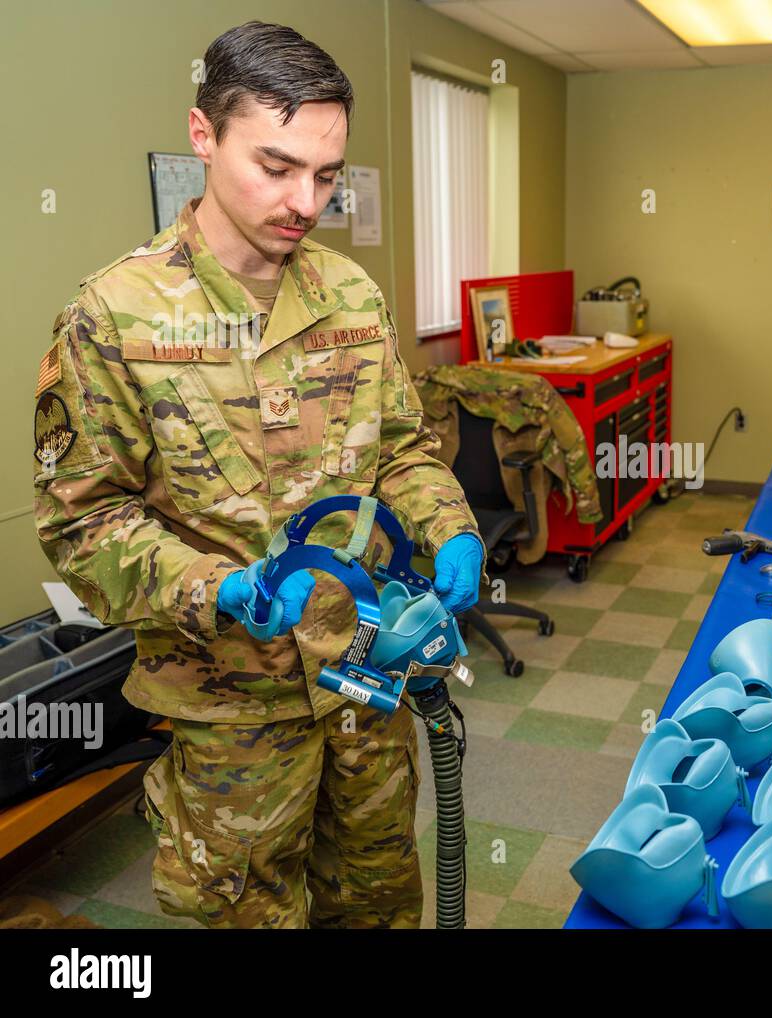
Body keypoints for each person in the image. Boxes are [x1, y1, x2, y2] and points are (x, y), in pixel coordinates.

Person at [32, 21, 484, 929]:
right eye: (276, 167)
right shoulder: (114, 315)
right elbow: (83, 524)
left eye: (327, 175)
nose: (305, 200)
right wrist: (218, 586)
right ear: (203, 135)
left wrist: (452, 528)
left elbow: (400, 448)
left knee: (380, 903)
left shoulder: (350, 294)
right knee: (252, 915)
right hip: (233, 707)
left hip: (368, 679)